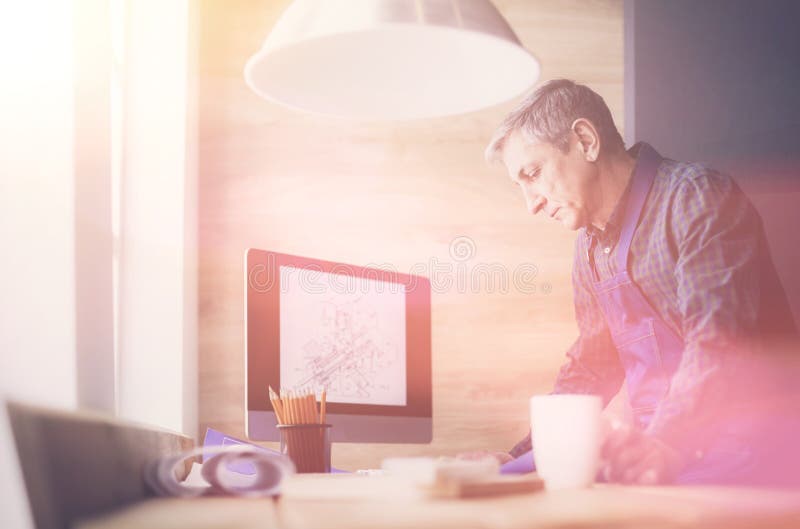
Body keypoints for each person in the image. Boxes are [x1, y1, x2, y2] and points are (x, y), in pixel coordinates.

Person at [480, 79, 800, 486]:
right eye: (521, 185)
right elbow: (592, 366)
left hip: (750, 460)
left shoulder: (697, 197)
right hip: (658, 459)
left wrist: (661, 443)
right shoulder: (589, 248)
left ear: (585, 141)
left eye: (534, 173)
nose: (532, 204)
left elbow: (719, 341)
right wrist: (515, 459)